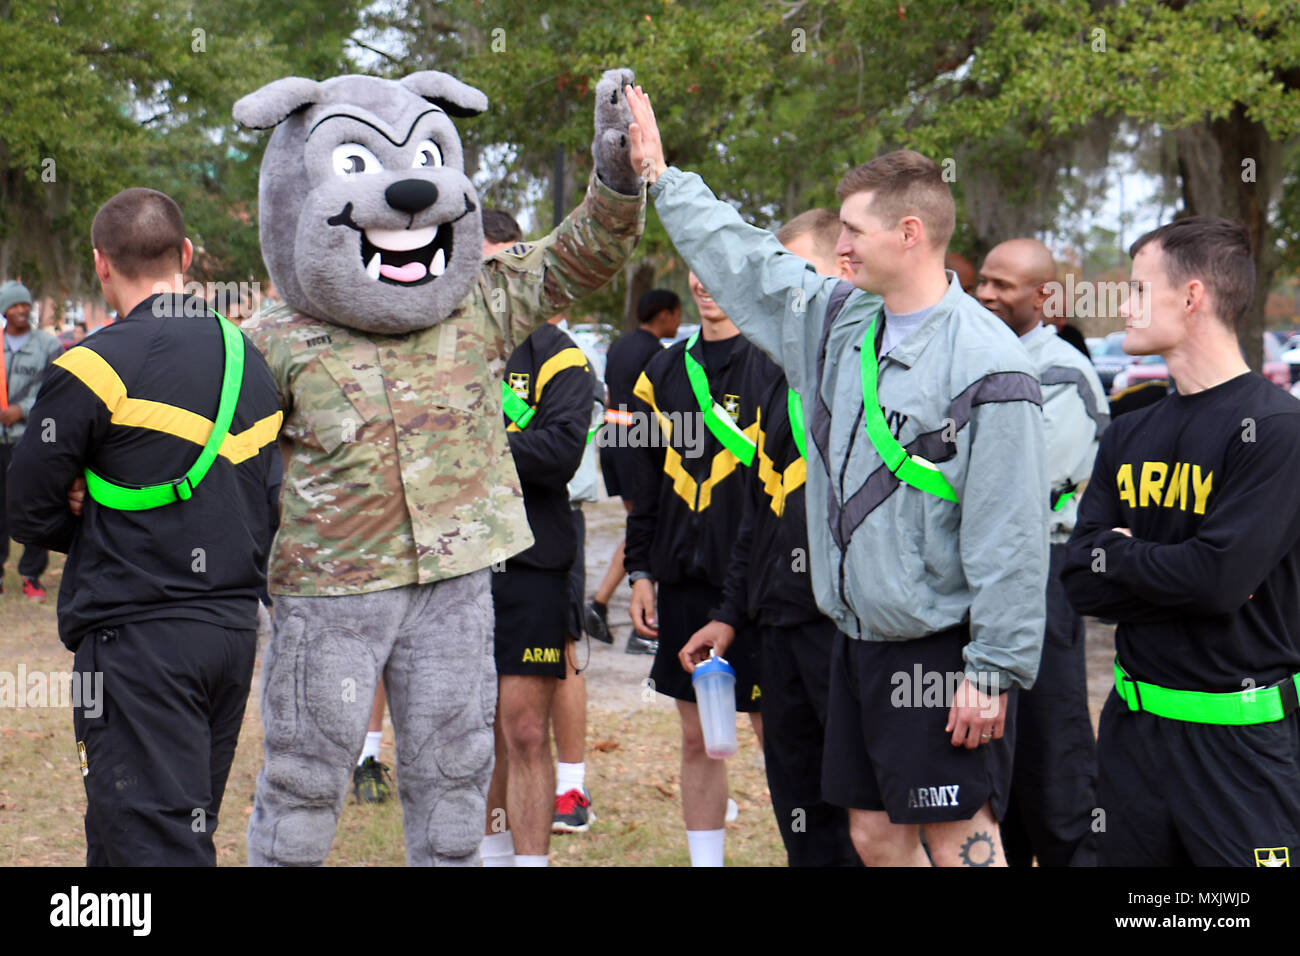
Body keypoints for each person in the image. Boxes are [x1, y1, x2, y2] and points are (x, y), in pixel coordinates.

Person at [625, 86, 1048, 867]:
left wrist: (992, 670)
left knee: (964, 844)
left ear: (910, 233)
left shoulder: (991, 365)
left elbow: (1012, 534)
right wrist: (662, 177)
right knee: (872, 838)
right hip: (854, 639)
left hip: (940, 652)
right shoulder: (840, 320)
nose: (840, 246)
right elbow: (748, 262)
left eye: (854, 230)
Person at [6, 187, 281, 865]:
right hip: (229, 633)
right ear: (185, 255)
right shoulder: (253, 364)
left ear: (101, 265)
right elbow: (267, 502)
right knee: (156, 836)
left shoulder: (93, 364)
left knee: (151, 850)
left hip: (140, 640)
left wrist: (93, 514)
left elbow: (23, 506)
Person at [1063, 217, 1300, 867]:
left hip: (1239, 747)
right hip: (1132, 734)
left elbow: (1218, 583)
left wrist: (1126, 557)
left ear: (1192, 297)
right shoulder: (1130, 427)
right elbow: (1079, 578)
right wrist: (1189, 573)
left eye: (1138, 290)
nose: (1124, 308)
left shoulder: (1278, 430)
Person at [679, 208, 860, 867]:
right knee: (801, 816)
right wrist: (728, 616)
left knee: (865, 823)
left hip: (845, 633)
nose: (782, 295)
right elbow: (760, 509)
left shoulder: (872, 375)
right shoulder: (780, 374)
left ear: (843, 272)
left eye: (795, 276)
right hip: (776, 626)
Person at [624, 269, 770, 867]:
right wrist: (639, 572)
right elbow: (645, 488)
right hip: (686, 585)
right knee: (699, 740)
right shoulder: (661, 372)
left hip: (762, 590)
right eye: (698, 269)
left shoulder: (774, 363)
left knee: (780, 740)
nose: (709, 283)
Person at [977, 238, 1107, 866]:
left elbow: (1015, 491)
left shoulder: (1063, 373)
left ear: (1046, 298)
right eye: (983, 281)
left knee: (1052, 758)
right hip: (979, 580)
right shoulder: (976, 357)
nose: (986, 294)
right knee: (995, 756)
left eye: (1003, 285)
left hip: (1041, 577)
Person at [482, 298, 598, 867]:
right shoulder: (450, 340)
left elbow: (559, 453)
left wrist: (461, 443)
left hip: (531, 562)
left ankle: (530, 861)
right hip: (454, 562)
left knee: (525, 729)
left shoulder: (561, 357)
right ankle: (491, 855)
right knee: (475, 735)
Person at [588, 288, 681, 654]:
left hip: (611, 440)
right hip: (635, 444)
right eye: (676, 314)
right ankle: (639, 627)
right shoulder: (657, 354)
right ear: (664, 315)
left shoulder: (621, 345)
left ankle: (599, 605)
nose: (677, 321)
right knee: (646, 525)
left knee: (639, 525)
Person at [0, 280, 62, 600]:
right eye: (14, 305)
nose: (22, 310)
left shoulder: (47, 345)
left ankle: (31, 575)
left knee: (33, 505)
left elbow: (54, 388)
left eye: (25, 304)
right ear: (4, 310)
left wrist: (20, 410)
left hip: (30, 438)